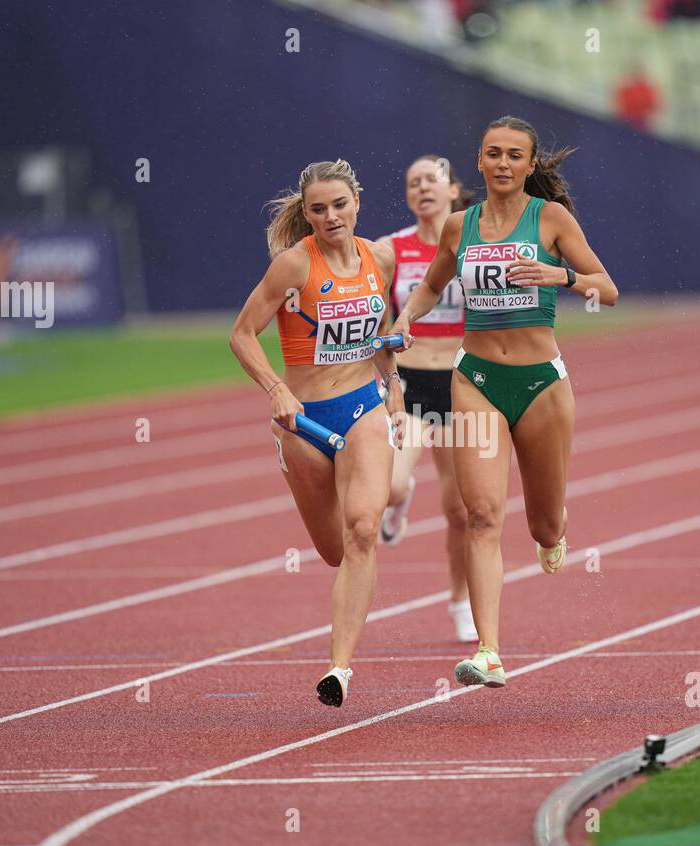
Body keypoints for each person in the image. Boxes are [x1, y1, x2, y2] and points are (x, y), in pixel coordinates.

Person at [388, 116, 618, 689]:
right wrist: (406, 318)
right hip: (477, 381)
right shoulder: (459, 227)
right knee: (482, 513)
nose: (504, 164)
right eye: (493, 154)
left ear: (531, 165)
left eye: (516, 155)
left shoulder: (553, 219)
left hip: (541, 381)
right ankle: (489, 651)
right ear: (480, 162)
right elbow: (433, 283)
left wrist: (558, 275)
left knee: (542, 523)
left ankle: (553, 532)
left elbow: (607, 289)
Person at [229, 159, 402, 708]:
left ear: (358, 203)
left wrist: (393, 381)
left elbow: (376, 332)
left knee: (361, 532)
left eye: (340, 205)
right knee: (333, 550)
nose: (331, 216)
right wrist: (275, 388)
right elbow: (241, 335)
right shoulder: (292, 268)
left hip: (362, 408)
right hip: (302, 421)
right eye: (319, 209)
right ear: (306, 214)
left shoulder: (382, 258)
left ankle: (339, 670)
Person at [375, 155, 479, 643]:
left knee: (461, 510)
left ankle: (460, 600)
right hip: (411, 386)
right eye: (412, 182)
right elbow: (374, 317)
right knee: (391, 488)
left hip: (463, 386)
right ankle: (400, 506)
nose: (422, 189)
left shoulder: (476, 244)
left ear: (454, 190)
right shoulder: (390, 250)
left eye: (432, 180)